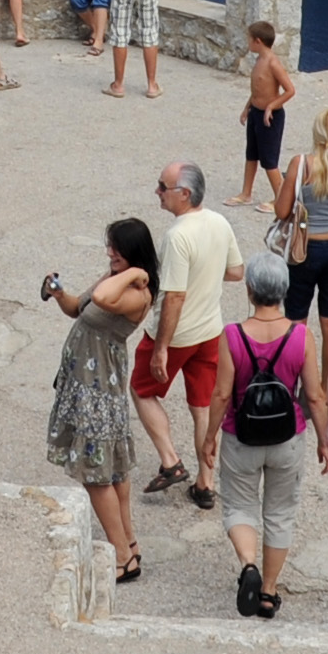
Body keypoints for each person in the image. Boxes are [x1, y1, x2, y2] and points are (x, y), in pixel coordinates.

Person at [214, 253, 328, 618]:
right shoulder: (301, 336)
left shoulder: (232, 335)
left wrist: (208, 438)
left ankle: (249, 565)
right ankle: (268, 591)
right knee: (279, 514)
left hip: (242, 435)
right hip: (286, 437)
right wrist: (324, 439)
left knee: (239, 507)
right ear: (284, 291)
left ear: (250, 290)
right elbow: (314, 395)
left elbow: (221, 393)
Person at [44, 219, 157, 582]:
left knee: (96, 474)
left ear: (134, 253)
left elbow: (104, 300)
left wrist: (135, 273)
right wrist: (59, 293)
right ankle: (129, 544)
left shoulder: (138, 293)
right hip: (86, 382)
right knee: (114, 471)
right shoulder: (115, 278)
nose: (110, 253)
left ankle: (121, 557)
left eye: (116, 248)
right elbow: (79, 307)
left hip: (98, 390)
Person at [136, 160, 240, 508]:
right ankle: (205, 482)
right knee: (202, 407)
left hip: (177, 334)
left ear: (184, 193)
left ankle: (170, 460)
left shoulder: (177, 236)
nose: (158, 192)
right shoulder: (220, 222)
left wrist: (161, 347)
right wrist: (205, 273)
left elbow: (175, 297)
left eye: (163, 187)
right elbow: (236, 271)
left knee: (141, 389)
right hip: (210, 331)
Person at [271, 107, 328, 330]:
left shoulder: (301, 163)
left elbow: (281, 211)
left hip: (305, 247)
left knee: (296, 315)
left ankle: (299, 354)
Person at [240, 20, 295, 204]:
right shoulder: (259, 60)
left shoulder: (273, 63)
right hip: (256, 112)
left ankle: (280, 198)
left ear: (258, 41)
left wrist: (272, 106)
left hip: (270, 117)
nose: (247, 42)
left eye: (249, 39)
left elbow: (290, 90)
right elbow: (257, 88)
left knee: (269, 160)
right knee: (251, 154)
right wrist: (247, 107)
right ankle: (246, 193)